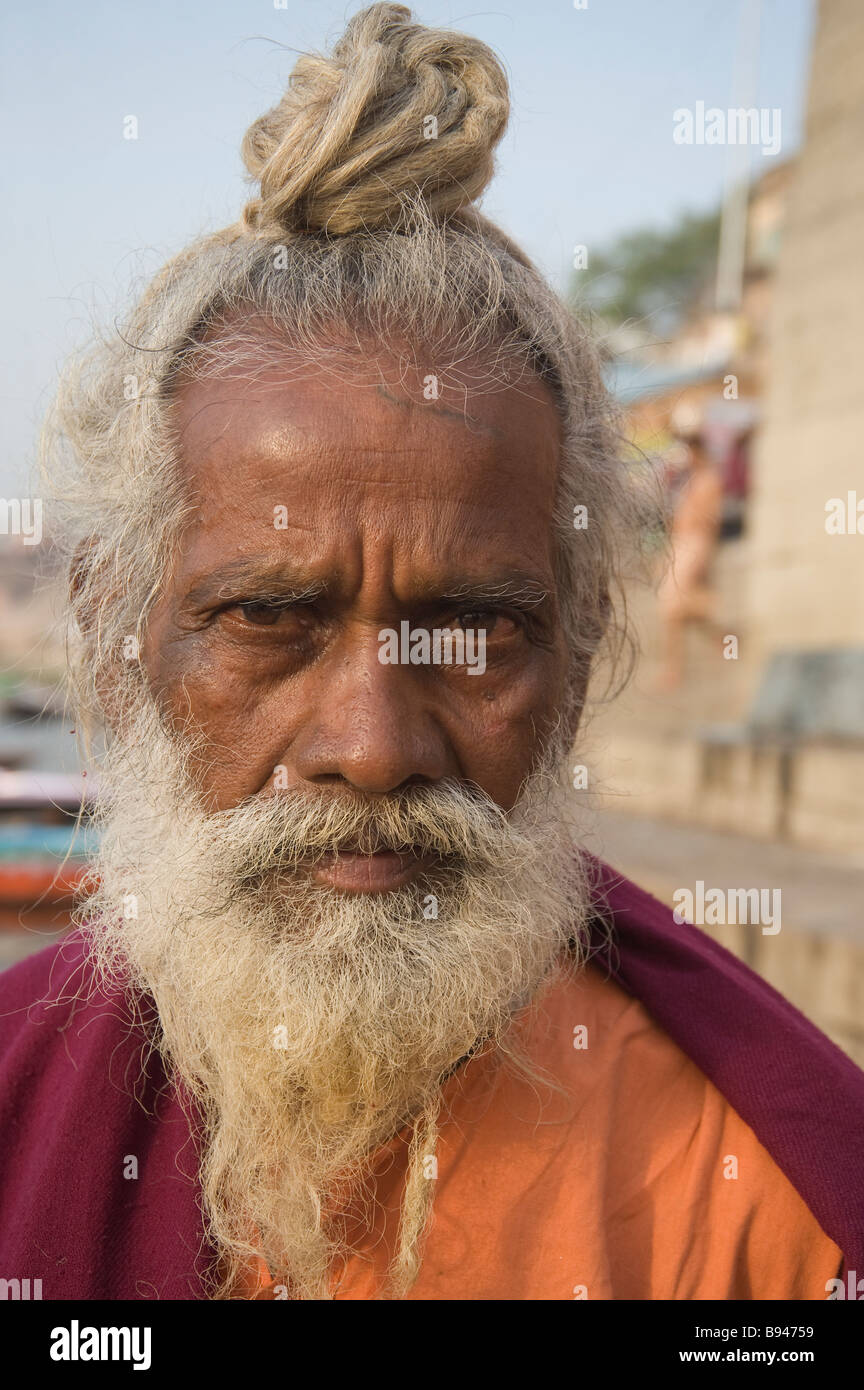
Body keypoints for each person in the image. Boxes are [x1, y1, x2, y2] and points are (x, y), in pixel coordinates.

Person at [0, 3, 861, 1302]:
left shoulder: (763, 1192)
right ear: (121, 653)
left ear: (574, 669)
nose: (372, 741)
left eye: (469, 632)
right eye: (269, 619)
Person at [655, 404, 726, 691]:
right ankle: (725, 638)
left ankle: (674, 672)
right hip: (681, 545)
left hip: (694, 546)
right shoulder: (692, 478)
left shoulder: (709, 479)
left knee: (672, 608)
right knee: (678, 609)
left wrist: (701, 559)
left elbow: (708, 525)